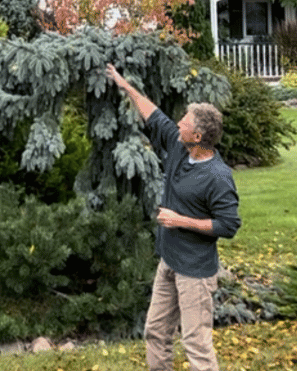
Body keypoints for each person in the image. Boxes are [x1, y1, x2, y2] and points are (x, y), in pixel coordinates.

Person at [105, 63, 240, 371]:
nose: (178, 123)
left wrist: (181, 221)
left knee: (196, 343)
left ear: (198, 134)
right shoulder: (180, 147)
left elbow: (228, 225)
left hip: (195, 271)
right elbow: (152, 113)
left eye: (185, 122)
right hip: (169, 260)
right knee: (156, 331)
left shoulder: (218, 177)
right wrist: (124, 85)